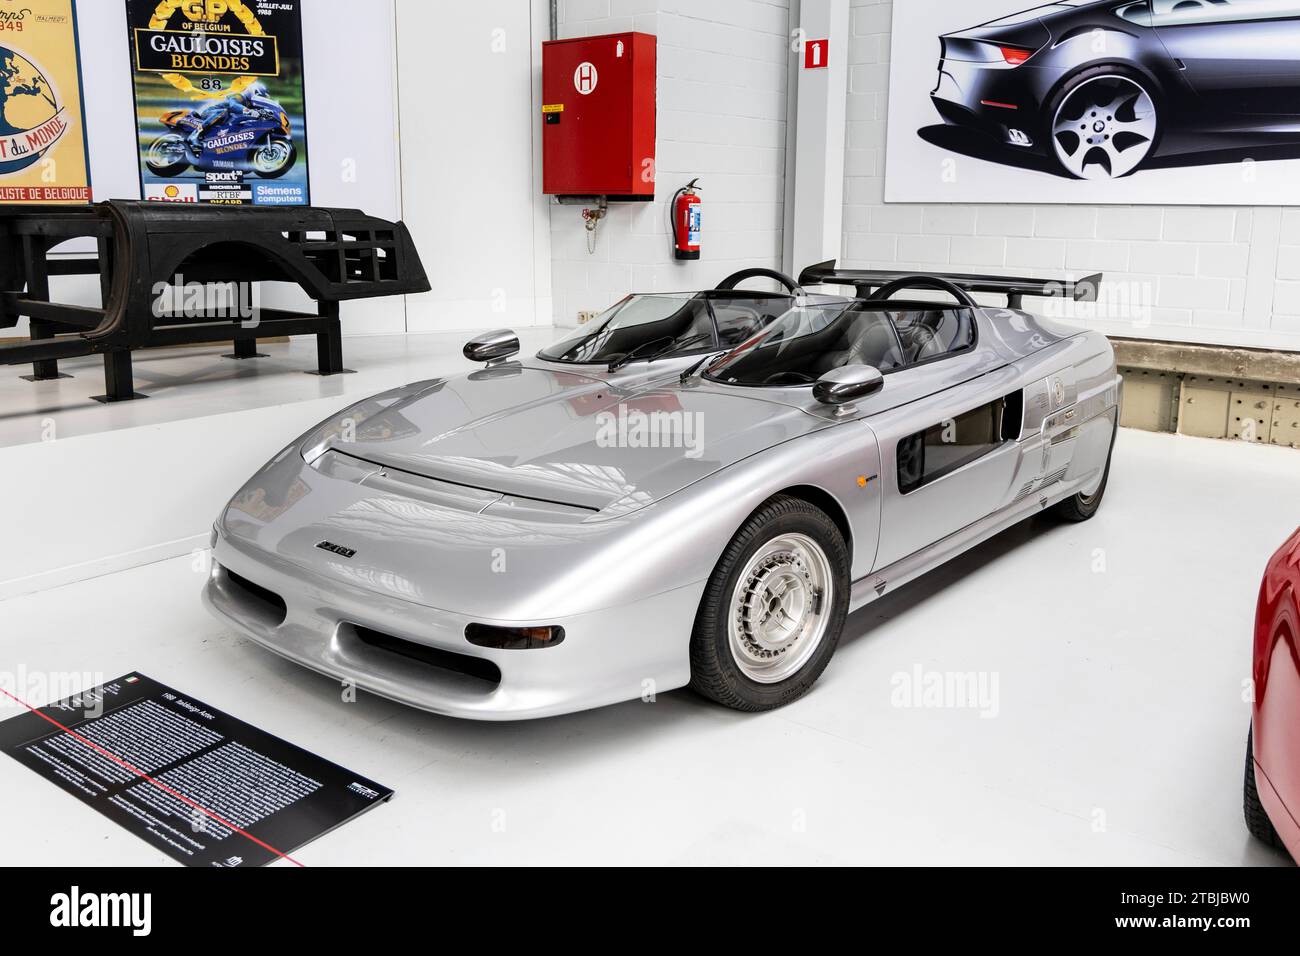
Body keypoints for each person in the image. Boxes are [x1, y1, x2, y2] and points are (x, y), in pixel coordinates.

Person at [186, 84, 269, 148]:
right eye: (260, 97)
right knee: (223, 112)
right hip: (210, 113)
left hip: (223, 123)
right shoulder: (239, 96)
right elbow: (234, 105)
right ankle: (196, 134)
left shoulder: (251, 106)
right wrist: (249, 111)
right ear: (254, 92)